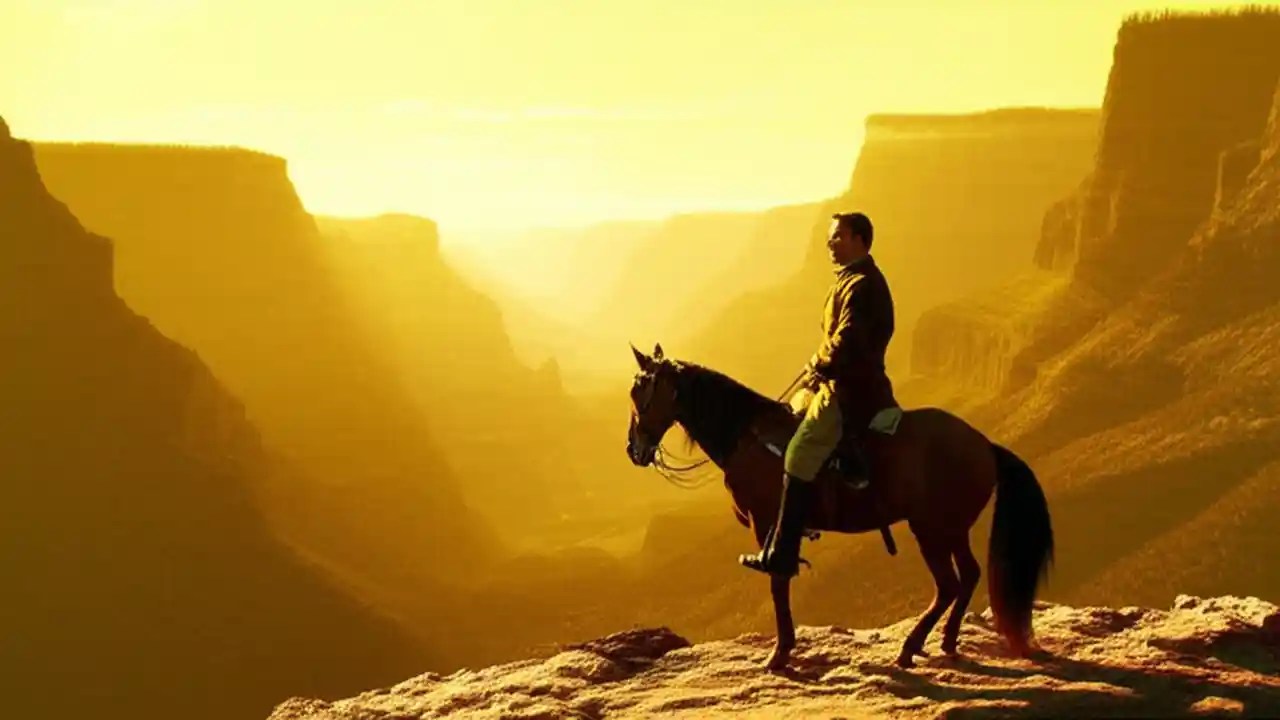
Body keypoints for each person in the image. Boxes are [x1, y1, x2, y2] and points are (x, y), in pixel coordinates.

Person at [739, 211, 899, 577]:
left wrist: (819, 362)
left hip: (851, 390)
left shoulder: (862, 285)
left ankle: (783, 552)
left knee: (796, 454)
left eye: (838, 236)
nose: (830, 242)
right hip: (835, 381)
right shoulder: (849, 280)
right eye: (830, 237)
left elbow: (847, 341)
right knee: (789, 417)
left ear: (860, 239)